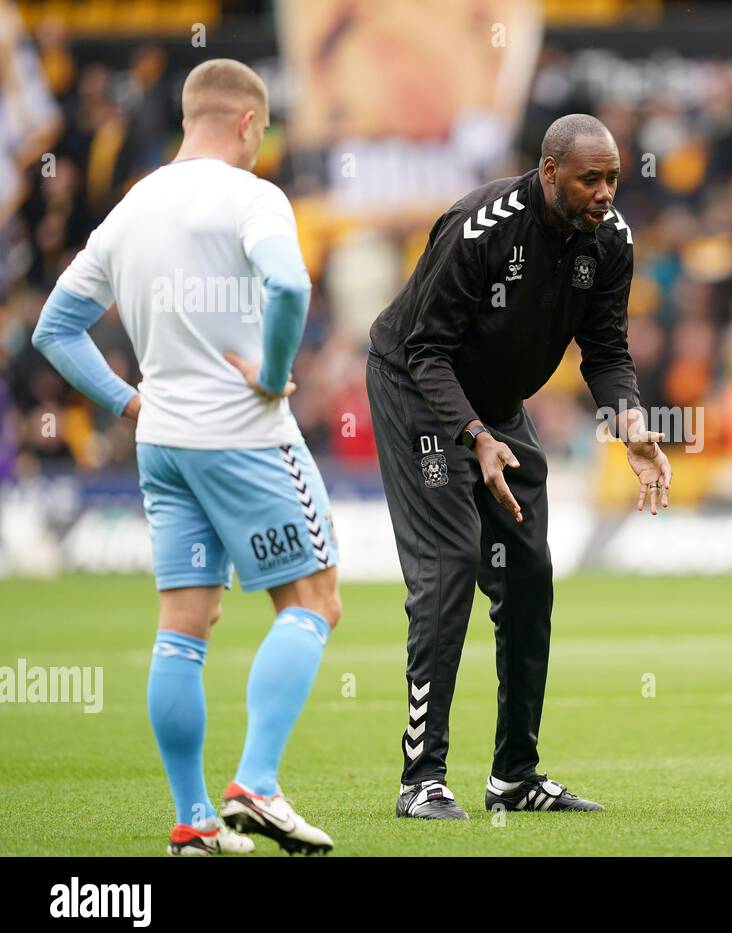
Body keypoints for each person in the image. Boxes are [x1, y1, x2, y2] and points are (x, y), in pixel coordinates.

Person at [31, 59, 339, 855]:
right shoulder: (252, 196)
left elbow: (53, 331)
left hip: (162, 442)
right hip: (244, 435)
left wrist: (128, 400)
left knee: (184, 627)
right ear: (246, 122)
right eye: (261, 132)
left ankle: (195, 820)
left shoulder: (132, 208)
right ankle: (258, 784)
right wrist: (273, 377)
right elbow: (291, 287)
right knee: (313, 601)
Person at [368, 114, 671, 820]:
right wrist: (473, 435)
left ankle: (515, 775)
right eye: (589, 179)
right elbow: (425, 350)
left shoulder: (612, 241)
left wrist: (628, 421)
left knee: (528, 573)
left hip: (498, 404)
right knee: (449, 565)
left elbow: (605, 350)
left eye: (613, 179)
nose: (604, 193)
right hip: (420, 393)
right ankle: (422, 777)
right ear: (549, 173)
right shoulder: (481, 227)